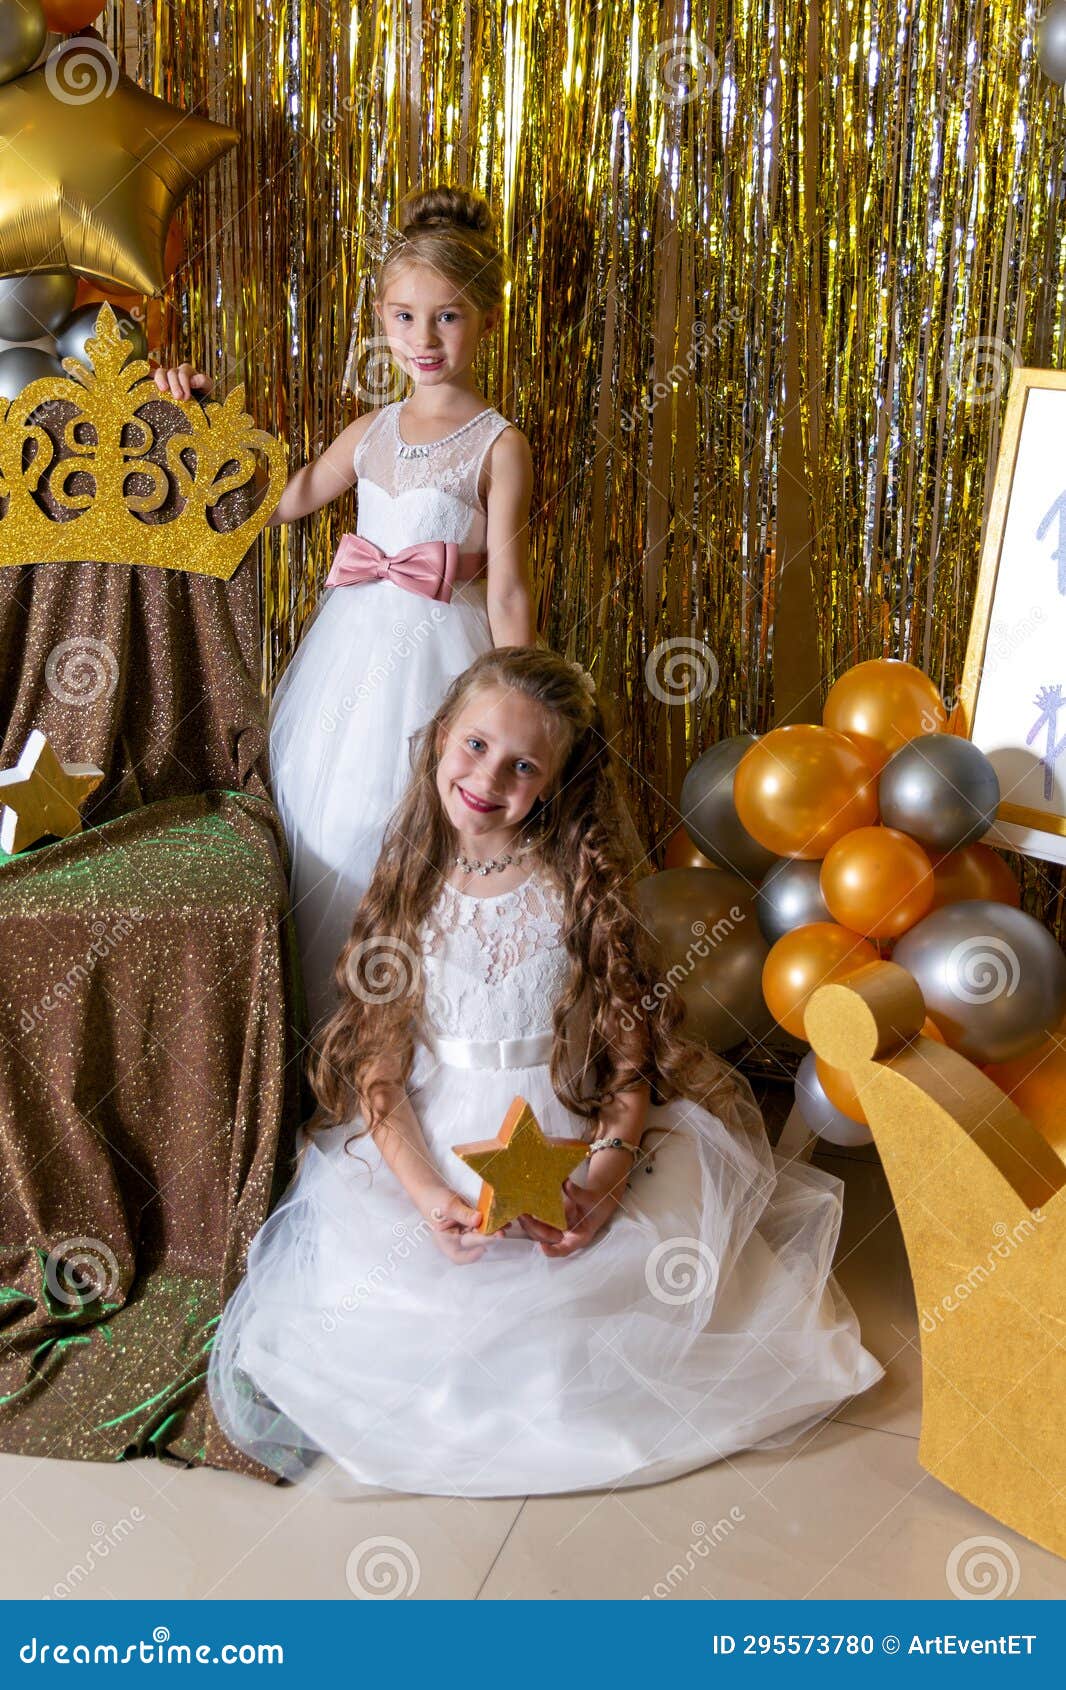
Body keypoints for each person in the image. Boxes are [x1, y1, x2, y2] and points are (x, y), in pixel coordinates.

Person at [206, 646, 883, 1498]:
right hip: (442, 1147)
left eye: (525, 766)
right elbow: (378, 1069)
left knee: (598, 1324)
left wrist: (605, 1171)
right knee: (407, 1320)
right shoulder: (409, 883)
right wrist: (426, 1196)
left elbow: (628, 1057)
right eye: (478, 747)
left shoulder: (575, 886)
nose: (491, 779)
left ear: (557, 782)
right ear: (440, 737)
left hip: (566, 1142)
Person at [155, 184, 534, 1030]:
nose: (423, 340)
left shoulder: (500, 445)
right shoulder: (369, 431)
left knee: (419, 830)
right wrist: (201, 414)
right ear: (381, 317)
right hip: (350, 663)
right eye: (403, 317)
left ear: (487, 318)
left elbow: (506, 590)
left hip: (449, 666)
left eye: (448, 317)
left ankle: (421, 1042)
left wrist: (522, 716)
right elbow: (283, 501)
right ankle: (326, 1040)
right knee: (330, 817)